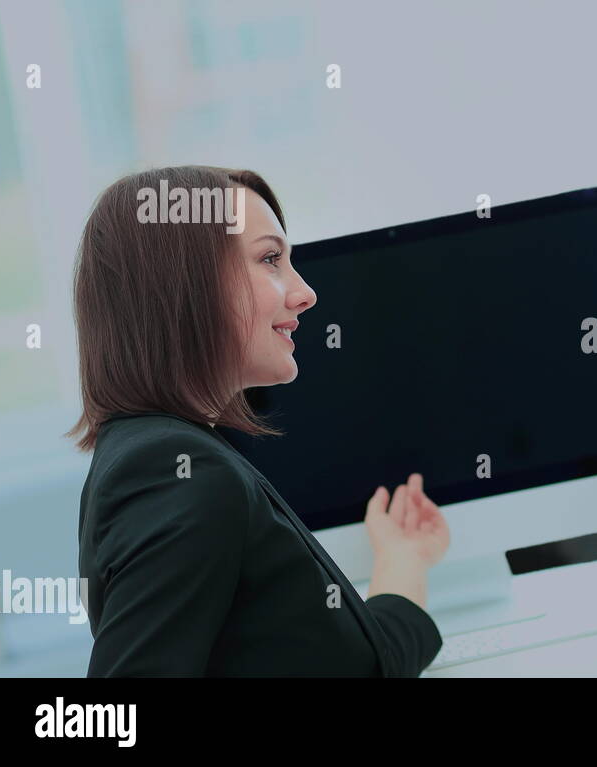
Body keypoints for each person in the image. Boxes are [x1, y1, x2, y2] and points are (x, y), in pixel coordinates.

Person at [69, 166, 450, 677]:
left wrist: (404, 560)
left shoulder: (176, 454)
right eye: (271, 259)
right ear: (186, 284)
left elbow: (360, 665)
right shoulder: (173, 470)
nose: (305, 292)